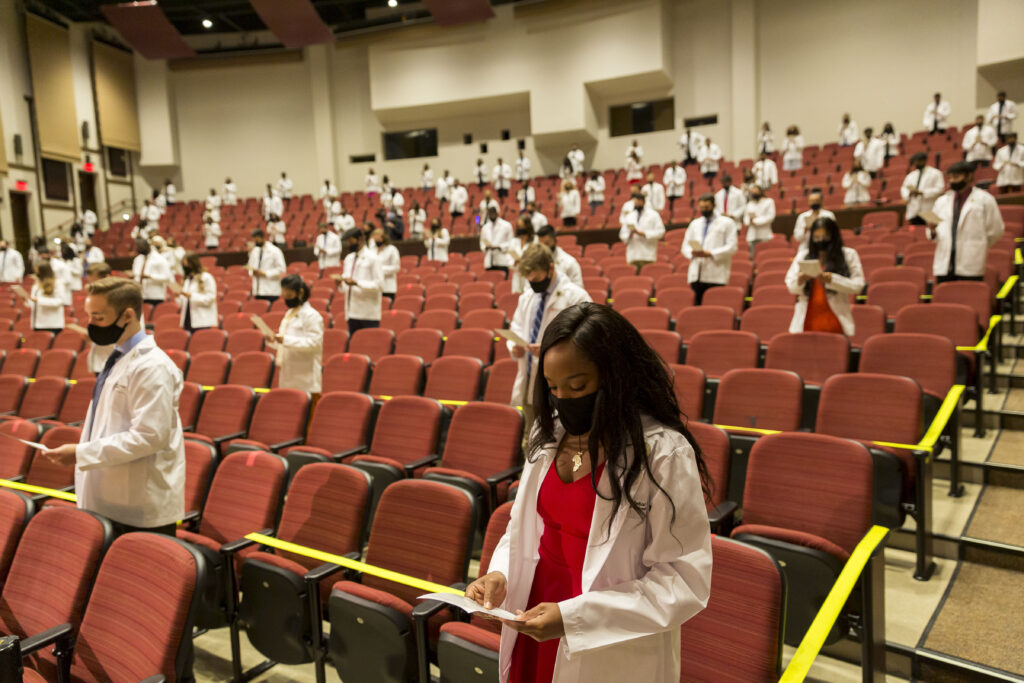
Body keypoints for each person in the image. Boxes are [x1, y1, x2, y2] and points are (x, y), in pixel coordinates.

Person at [468, 301, 711, 683]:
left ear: (616, 378)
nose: (564, 398)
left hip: (608, 635)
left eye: (578, 386)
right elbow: (523, 526)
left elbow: (683, 579)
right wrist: (499, 574)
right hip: (536, 610)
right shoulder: (548, 436)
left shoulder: (662, 453)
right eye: (553, 388)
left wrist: (575, 618)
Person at [43, 277, 185, 535]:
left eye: (98, 317)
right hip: (109, 496)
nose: (91, 325)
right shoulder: (119, 356)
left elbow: (149, 436)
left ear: (127, 315)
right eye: (89, 316)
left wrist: (81, 453)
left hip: (138, 505)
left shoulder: (152, 366)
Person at [504, 244, 590, 433]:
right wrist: (514, 346)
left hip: (562, 382)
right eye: (530, 279)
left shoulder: (576, 296)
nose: (533, 283)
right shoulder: (527, 297)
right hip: (529, 374)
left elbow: (587, 339)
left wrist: (550, 348)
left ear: (550, 268)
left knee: (559, 434)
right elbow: (517, 326)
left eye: (537, 278)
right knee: (531, 434)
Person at [927, 161, 1005, 283]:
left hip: (971, 259)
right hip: (945, 260)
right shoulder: (941, 201)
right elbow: (933, 232)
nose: (952, 181)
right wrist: (932, 230)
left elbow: (996, 230)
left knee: (969, 295)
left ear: (969, 176)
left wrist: (979, 244)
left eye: (956, 177)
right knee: (946, 297)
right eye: (950, 178)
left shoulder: (985, 199)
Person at [785, 218, 864, 335]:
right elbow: (791, 285)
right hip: (807, 319)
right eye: (816, 237)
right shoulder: (803, 255)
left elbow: (858, 285)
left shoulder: (848, 255)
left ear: (833, 236)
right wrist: (800, 280)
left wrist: (833, 280)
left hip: (835, 320)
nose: (821, 241)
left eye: (825, 237)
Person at [265, 274, 323, 396]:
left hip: (305, 377)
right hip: (287, 373)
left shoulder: (312, 315)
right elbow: (284, 342)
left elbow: (314, 343)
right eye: (284, 294)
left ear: (300, 292)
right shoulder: (289, 314)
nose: (286, 298)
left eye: (289, 294)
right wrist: (273, 340)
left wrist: (284, 340)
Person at [682, 194, 738, 305]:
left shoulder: (727, 223)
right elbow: (685, 246)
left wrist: (711, 253)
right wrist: (692, 253)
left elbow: (732, 247)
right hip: (696, 274)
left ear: (714, 205)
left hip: (716, 274)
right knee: (697, 310)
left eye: (706, 207)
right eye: (701, 207)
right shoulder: (695, 224)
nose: (704, 210)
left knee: (714, 310)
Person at [334, 228, 384, 334]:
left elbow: (379, 285)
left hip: (368, 314)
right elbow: (345, 288)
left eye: (350, 241)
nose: (348, 244)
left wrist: (357, 283)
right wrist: (340, 284)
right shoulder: (349, 258)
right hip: (351, 313)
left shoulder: (373, 258)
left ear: (360, 239)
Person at [618, 193, 665, 273]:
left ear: (642, 202)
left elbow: (661, 231)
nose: (635, 204)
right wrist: (629, 234)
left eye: (637, 202)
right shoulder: (630, 216)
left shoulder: (653, 215)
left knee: (648, 275)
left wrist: (644, 233)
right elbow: (622, 233)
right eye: (634, 202)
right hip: (633, 254)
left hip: (647, 254)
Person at [901, 153, 946, 225]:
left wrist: (922, 192)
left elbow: (940, 189)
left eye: (919, 161)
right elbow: (904, 188)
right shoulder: (911, 175)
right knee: (915, 231)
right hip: (913, 209)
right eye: (915, 161)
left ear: (924, 161)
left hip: (928, 208)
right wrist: (909, 193)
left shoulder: (936, 173)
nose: (916, 163)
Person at [178, 253, 217, 332]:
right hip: (188, 318)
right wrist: (179, 295)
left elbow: (211, 298)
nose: (186, 268)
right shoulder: (187, 280)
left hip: (202, 319)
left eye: (188, 265)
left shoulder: (206, 277)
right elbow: (183, 301)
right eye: (184, 266)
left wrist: (191, 296)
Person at [248, 229, 286, 302]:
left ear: (262, 238)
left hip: (271, 290)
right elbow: (251, 266)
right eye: (254, 240)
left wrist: (265, 273)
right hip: (257, 290)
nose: (255, 242)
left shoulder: (275, 251)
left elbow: (282, 269)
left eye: (257, 239)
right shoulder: (255, 251)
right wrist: (252, 272)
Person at [27, 262, 65, 333]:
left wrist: (38, 300)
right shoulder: (36, 284)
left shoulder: (57, 283)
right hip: (37, 323)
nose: (36, 274)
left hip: (52, 324)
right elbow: (33, 303)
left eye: (38, 272)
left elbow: (59, 301)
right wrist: (26, 300)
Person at [131, 239, 170, 306]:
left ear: (147, 246)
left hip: (155, 295)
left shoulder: (159, 259)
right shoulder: (138, 259)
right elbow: (135, 273)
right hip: (140, 294)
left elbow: (166, 277)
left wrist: (150, 276)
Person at [481, 206, 515, 275]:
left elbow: (511, 242)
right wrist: (486, 247)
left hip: (502, 260)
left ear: (497, 213)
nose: (492, 215)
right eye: (490, 213)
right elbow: (482, 242)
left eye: (493, 213)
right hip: (489, 260)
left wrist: (499, 246)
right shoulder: (485, 227)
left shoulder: (506, 225)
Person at [742, 185, 776, 250]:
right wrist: (749, 221)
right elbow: (745, 218)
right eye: (753, 192)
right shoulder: (750, 204)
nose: (754, 193)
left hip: (764, 234)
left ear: (761, 192)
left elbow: (770, 217)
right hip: (752, 235)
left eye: (756, 191)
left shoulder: (769, 201)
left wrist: (755, 221)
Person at [372, 228, 400, 301]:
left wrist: (380, 269)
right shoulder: (372, 250)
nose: (376, 239)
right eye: (375, 238)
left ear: (383, 237)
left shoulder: (392, 249)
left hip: (388, 287)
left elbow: (396, 267)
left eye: (378, 237)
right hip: (374, 287)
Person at [510, 221, 535, 294]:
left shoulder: (534, 241)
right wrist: (514, 262)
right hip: (517, 273)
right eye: (519, 227)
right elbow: (509, 257)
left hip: (529, 273)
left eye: (522, 227)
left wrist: (525, 261)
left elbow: (536, 258)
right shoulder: (514, 241)